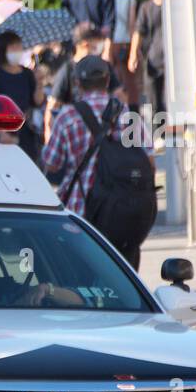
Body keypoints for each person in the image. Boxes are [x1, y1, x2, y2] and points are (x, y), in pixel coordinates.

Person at [41, 56, 149, 266]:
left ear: (77, 84)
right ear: (108, 80)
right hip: (125, 209)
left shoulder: (68, 116)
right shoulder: (126, 113)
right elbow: (149, 158)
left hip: (83, 211)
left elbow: (51, 162)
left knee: (81, 273)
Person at [44, 25, 121, 142]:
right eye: (98, 40)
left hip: (104, 131)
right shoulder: (68, 69)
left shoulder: (103, 65)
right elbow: (53, 105)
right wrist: (48, 132)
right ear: (85, 44)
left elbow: (119, 94)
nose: (101, 44)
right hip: (79, 131)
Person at [0, 30, 43, 163]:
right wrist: (1, 134)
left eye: (19, 46)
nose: (17, 50)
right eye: (12, 47)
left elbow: (37, 102)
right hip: (3, 131)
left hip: (26, 132)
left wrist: (39, 83)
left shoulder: (27, 74)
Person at [129, 0, 169, 117]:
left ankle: (175, 135)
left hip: (174, 63)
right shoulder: (146, 7)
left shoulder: (175, 3)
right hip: (153, 60)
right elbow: (138, 31)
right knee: (154, 101)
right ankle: (158, 135)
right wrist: (133, 54)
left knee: (172, 102)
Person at [106, 0, 140, 108]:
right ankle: (131, 110)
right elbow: (132, 24)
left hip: (111, 43)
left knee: (113, 78)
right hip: (125, 44)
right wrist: (135, 48)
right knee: (130, 80)